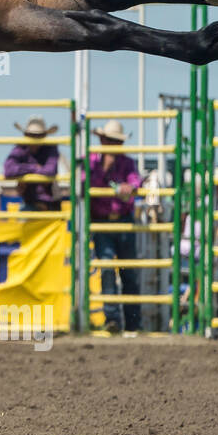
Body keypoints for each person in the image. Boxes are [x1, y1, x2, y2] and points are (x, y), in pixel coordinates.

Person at [87, 119, 143, 334]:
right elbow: (85, 182)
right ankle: (113, 319)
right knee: (108, 267)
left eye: (116, 141)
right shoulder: (92, 162)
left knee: (129, 272)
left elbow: (135, 181)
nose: (112, 145)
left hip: (123, 219)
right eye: (109, 140)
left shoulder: (127, 163)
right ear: (102, 140)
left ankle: (133, 322)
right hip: (102, 222)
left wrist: (131, 186)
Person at [3, 116, 61, 211]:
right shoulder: (21, 148)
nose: (34, 139)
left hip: (50, 204)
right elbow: (9, 170)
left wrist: (24, 173)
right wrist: (34, 168)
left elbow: (50, 171)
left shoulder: (50, 148)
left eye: (38, 136)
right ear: (26, 135)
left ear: (44, 136)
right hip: (29, 202)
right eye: (32, 135)